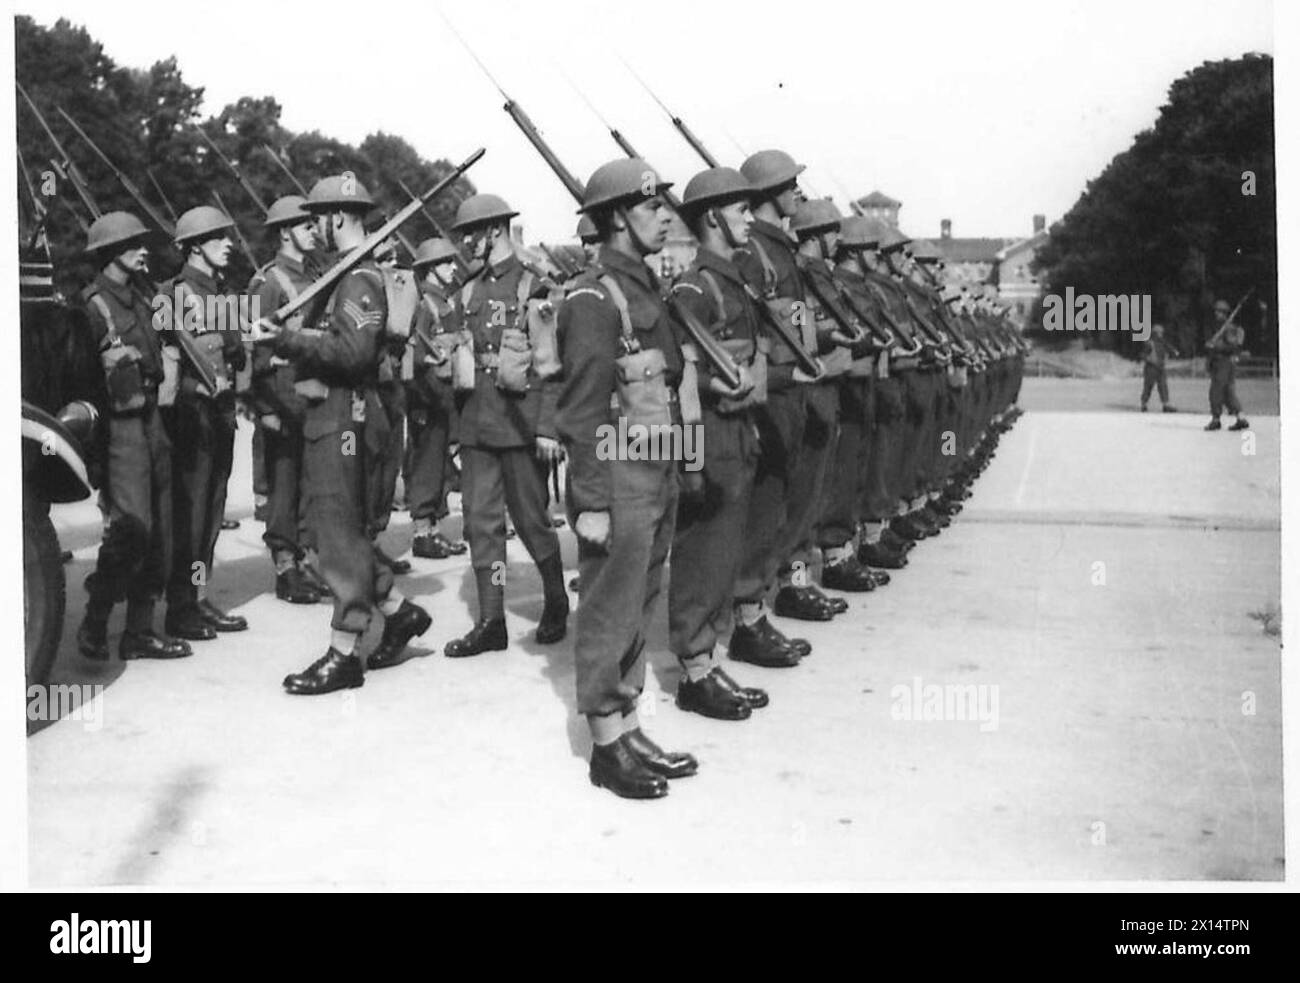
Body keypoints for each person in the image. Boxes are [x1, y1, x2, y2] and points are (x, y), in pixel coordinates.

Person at [249, 174, 431, 694]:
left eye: (316, 219)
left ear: (338, 217)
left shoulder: (359, 281)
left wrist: (287, 338)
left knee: (334, 537)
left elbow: (351, 355)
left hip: (343, 419)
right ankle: (398, 613)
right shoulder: (344, 273)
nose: (312, 228)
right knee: (343, 531)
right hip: (329, 417)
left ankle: (344, 651)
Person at [556, 158, 697, 799]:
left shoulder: (646, 289)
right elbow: (582, 411)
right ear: (616, 217)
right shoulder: (592, 299)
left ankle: (630, 722)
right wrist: (588, 502)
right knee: (610, 609)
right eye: (650, 207)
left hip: (655, 468)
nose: (666, 215)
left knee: (641, 602)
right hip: (616, 477)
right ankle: (606, 746)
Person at [442, 193, 569, 658]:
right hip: (478, 424)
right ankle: (491, 618)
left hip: (520, 424)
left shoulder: (534, 288)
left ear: (494, 230)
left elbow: (551, 367)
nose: (464, 244)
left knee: (533, 521)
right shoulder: (468, 290)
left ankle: (556, 601)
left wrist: (548, 428)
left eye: (469, 235)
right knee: (481, 525)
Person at [668, 166, 773, 720]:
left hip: (738, 434)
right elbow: (678, 370)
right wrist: (721, 383)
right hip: (708, 436)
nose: (750, 219)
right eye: (740, 210)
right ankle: (693, 667)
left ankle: (708, 654)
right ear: (712, 217)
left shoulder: (731, 279)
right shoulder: (694, 287)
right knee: (700, 554)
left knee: (724, 552)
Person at [76, 212, 191, 661]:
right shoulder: (91, 307)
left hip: (153, 423)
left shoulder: (144, 299)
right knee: (132, 529)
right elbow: (84, 382)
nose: (144, 250)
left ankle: (140, 631)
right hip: (120, 430)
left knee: (160, 527)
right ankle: (96, 618)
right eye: (133, 244)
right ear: (111, 252)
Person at [163, 206, 249, 643]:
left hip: (221, 416)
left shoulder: (223, 293)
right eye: (219, 237)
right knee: (191, 513)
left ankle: (197, 594)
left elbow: (236, 354)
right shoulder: (174, 295)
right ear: (195, 245)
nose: (229, 243)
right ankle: (180, 605)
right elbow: (162, 366)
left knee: (212, 510)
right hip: (191, 419)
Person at [246, 194, 325, 604]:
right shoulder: (268, 283)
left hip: (311, 398)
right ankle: (285, 567)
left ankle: (308, 560)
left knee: (310, 485)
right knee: (283, 486)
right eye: (306, 225)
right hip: (281, 399)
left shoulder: (314, 278)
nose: (314, 230)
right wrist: (264, 409)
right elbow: (255, 354)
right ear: (284, 233)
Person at [405, 236, 469, 559]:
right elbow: (414, 357)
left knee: (439, 464)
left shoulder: (446, 302)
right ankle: (422, 532)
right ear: (430, 268)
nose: (453, 267)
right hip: (426, 397)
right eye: (446, 262)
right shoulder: (423, 305)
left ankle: (432, 528)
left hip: (444, 396)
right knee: (426, 465)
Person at [1204, 299, 1249, 431]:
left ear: (1224, 313)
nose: (1216, 314)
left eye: (1218, 312)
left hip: (1223, 362)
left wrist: (1215, 346)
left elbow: (1232, 347)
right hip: (1222, 363)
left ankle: (1216, 419)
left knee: (1216, 391)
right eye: (1216, 311)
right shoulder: (1219, 328)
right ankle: (1241, 418)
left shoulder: (1228, 328)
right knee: (1228, 393)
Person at [1139, 323, 1178, 412]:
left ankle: (1166, 404)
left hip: (1160, 368)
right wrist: (1148, 359)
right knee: (1148, 387)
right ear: (1154, 333)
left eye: (1161, 333)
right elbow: (1143, 355)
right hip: (1151, 368)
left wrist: (1174, 352)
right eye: (1159, 333)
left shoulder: (1162, 342)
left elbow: (1169, 348)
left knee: (1163, 386)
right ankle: (1144, 404)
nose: (1161, 334)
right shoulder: (1149, 343)